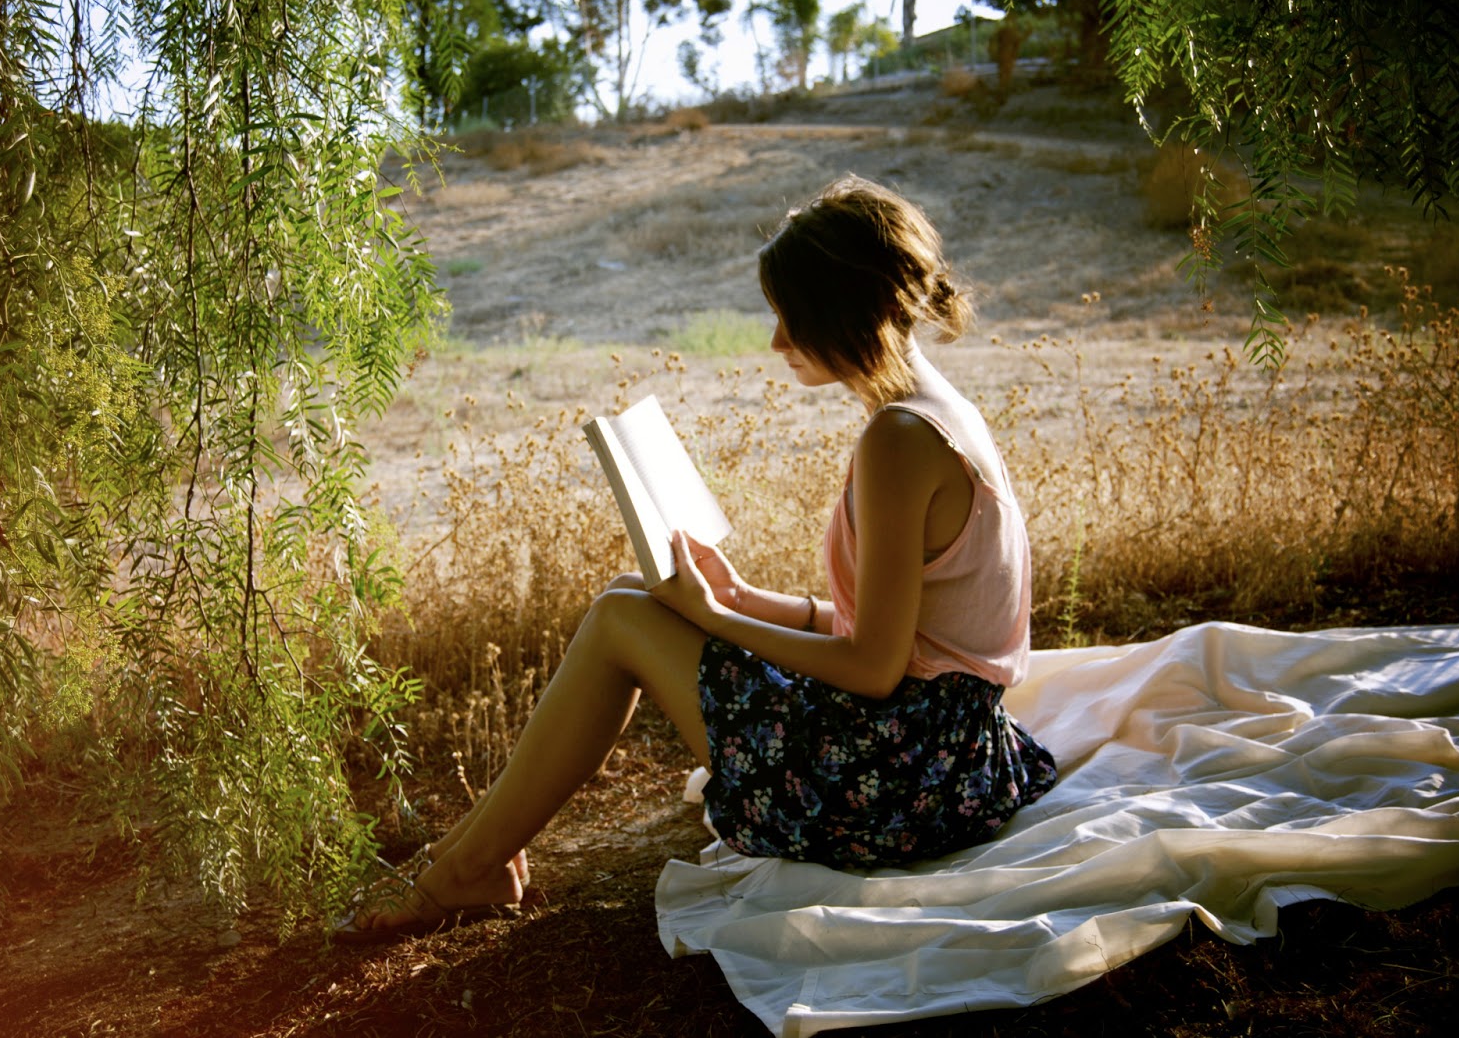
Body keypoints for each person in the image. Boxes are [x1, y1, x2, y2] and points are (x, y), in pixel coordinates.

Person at [334, 175, 1057, 942]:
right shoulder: (940, 413)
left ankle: (463, 868)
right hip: (953, 756)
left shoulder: (899, 439)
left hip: (898, 778)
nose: (777, 341)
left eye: (791, 317)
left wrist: (714, 616)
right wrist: (743, 596)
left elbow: (874, 665)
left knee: (620, 616)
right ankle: (474, 851)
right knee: (625, 594)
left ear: (845, 310)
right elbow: (892, 629)